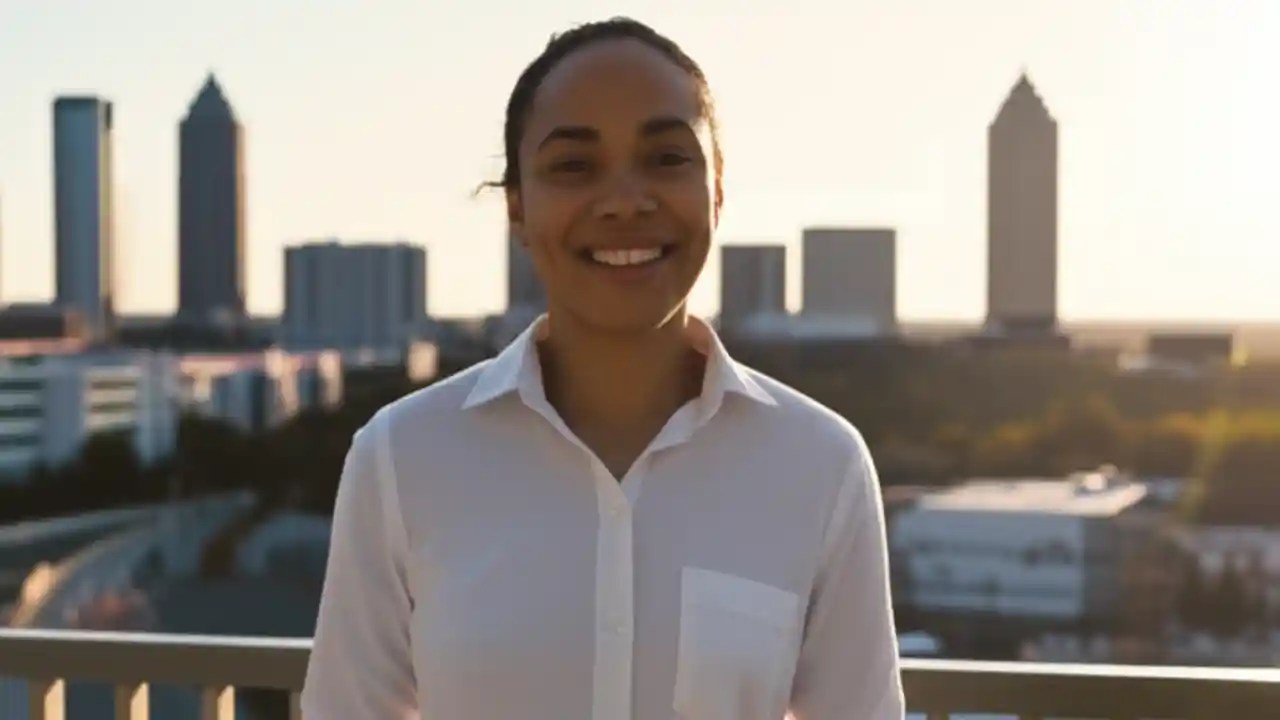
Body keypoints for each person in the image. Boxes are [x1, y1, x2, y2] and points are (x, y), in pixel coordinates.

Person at [301, 16, 904, 720]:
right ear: (517, 209)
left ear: (717, 192)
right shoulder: (400, 456)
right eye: (574, 166)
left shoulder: (821, 464)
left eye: (667, 157)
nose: (624, 201)